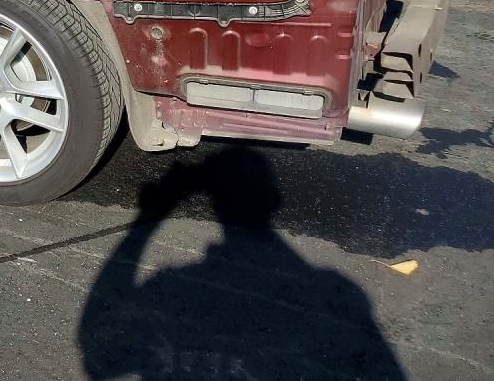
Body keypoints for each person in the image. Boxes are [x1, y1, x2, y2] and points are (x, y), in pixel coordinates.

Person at [79, 147, 406, 380]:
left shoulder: (172, 284)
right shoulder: (338, 295)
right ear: (274, 200)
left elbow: (98, 350)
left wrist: (150, 218)